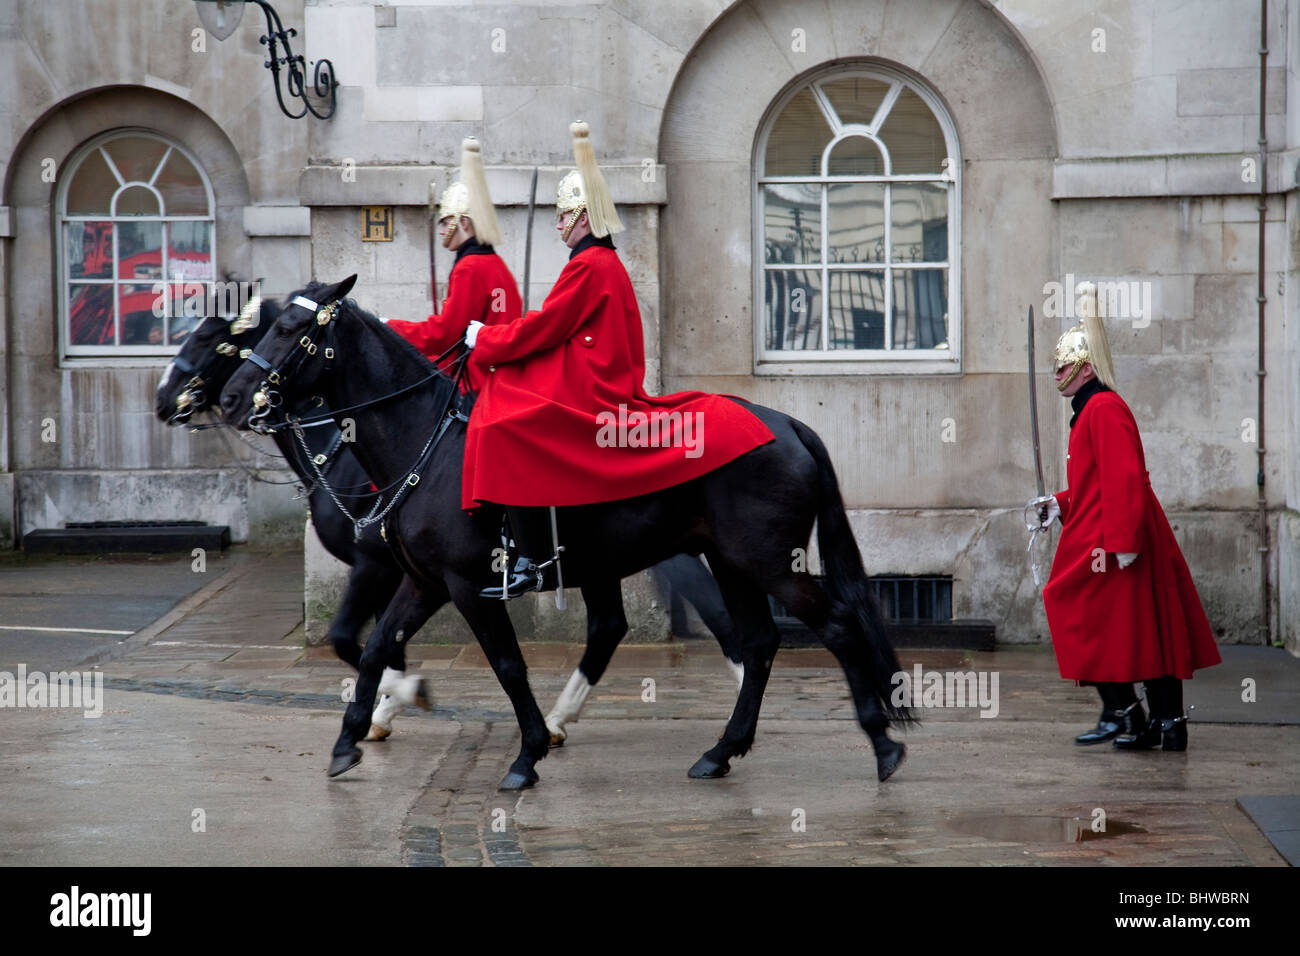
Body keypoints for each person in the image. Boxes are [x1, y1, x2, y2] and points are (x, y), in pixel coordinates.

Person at [462, 121, 776, 598]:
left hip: (593, 388)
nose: (556, 222)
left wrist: (486, 339)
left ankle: (531, 556)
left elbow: (545, 327)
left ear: (584, 216)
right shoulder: (598, 263)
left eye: (562, 213)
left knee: (502, 422)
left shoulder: (589, 265)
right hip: (588, 373)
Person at [1028, 283, 1221, 751]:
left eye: (1065, 366)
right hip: (1107, 530)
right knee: (1143, 629)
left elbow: (1125, 479)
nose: (1058, 373)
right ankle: (1156, 721)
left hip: (1118, 536)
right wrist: (1060, 504)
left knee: (1080, 607)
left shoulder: (1104, 407)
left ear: (1086, 367)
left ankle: (1134, 713)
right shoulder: (1090, 408)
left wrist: (1124, 541)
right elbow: (1096, 485)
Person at [383, 138, 521, 393]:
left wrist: (390, 328)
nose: (442, 230)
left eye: (446, 223)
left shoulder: (470, 267)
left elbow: (444, 334)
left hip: (475, 378)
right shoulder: (495, 263)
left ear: (464, 224)